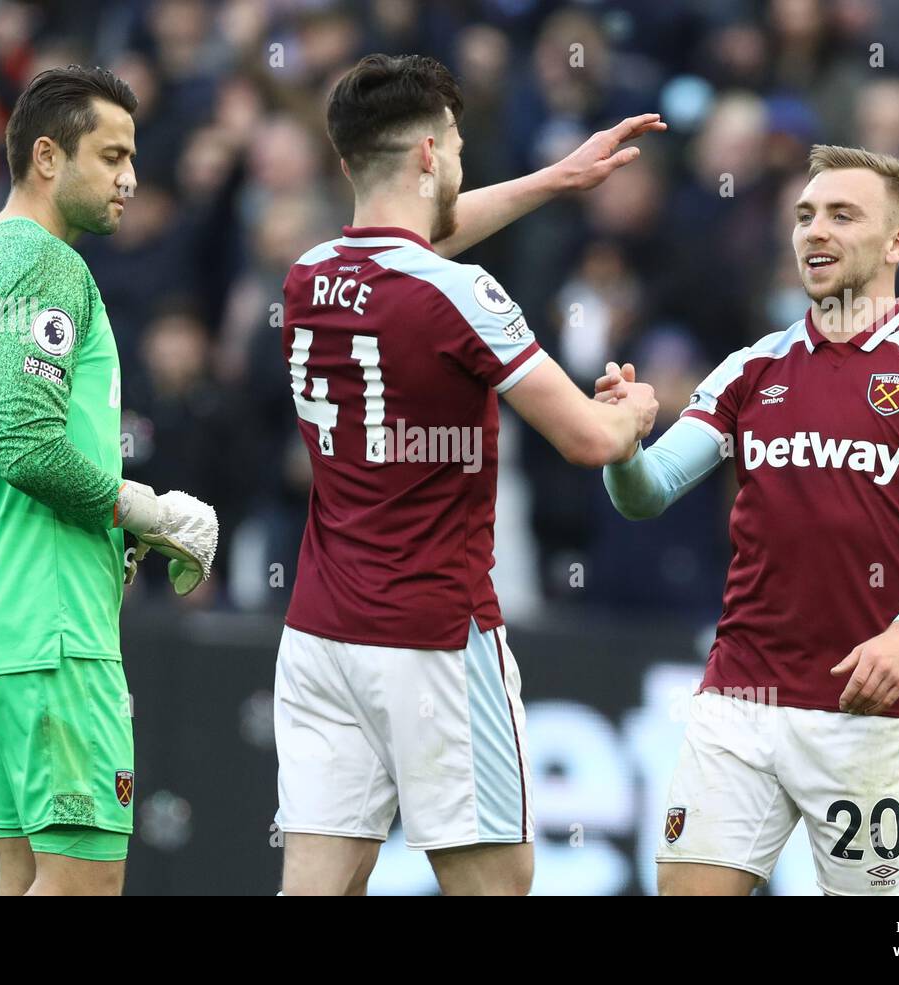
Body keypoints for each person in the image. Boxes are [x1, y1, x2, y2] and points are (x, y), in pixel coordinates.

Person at [274, 53, 664, 895]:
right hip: (435, 638)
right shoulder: (463, 296)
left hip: (319, 635)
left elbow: (410, 246)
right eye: (452, 144)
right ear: (426, 157)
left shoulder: (306, 278)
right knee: (495, 881)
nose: (458, 161)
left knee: (313, 885)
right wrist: (633, 413)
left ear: (347, 162)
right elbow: (590, 441)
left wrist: (555, 180)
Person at [599, 145, 899, 895]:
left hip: (867, 706)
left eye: (842, 215)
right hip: (738, 697)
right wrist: (619, 447)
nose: (815, 231)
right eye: (805, 215)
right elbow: (649, 492)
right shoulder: (750, 369)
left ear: (897, 242)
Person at [0, 65, 218, 896]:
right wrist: (141, 507)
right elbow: (26, 445)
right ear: (49, 158)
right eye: (113, 155)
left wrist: (34, 521)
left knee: (26, 875)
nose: (132, 178)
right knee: (83, 885)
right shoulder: (54, 267)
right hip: (49, 626)